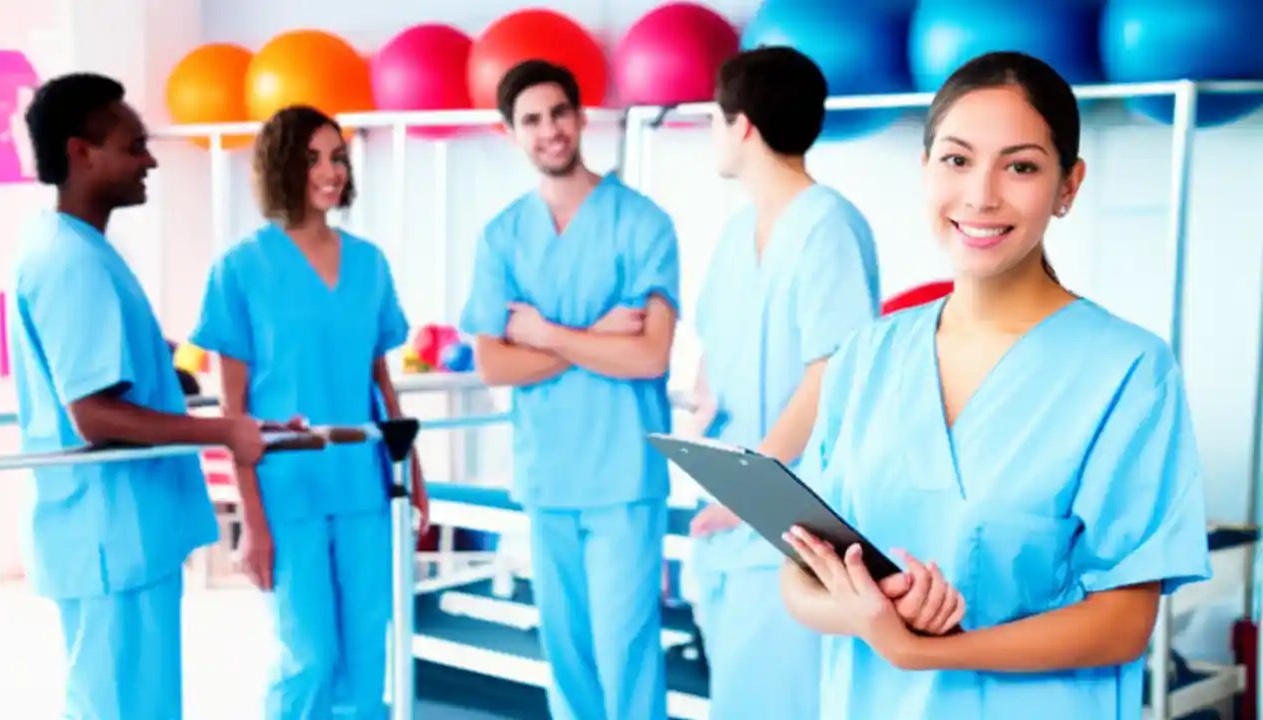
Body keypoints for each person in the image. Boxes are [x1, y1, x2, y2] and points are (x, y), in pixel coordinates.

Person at [780, 51, 1212, 719]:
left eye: (1021, 166)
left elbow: (1124, 622)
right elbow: (802, 573)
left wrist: (924, 650)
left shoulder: (1127, 372)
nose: (981, 195)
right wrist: (871, 609)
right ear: (924, 171)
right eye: (956, 159)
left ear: (1068, 186)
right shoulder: (867, 356)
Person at [8, 72, 269, 719]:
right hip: (110, 538)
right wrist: (227, 432)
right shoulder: (72, 261)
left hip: (117, 535)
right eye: (134, 145)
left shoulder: (76, 248)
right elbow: (94, 413)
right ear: (80, 152)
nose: (149, 159)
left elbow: (99, 379)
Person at [190, 104, 430, 719]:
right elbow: (233, 409)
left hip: (364, 485)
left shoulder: (370, 263)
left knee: (363, 663)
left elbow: (381, 382)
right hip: (285, 491)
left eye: (338, 156)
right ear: (280, 167)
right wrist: (250, 520)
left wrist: (415, 472)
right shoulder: (239, 269)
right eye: (313, 158)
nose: (331, 171)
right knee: (308, 659)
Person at [460, 59, 680, 720]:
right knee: (568, 654)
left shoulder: (643, 223)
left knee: (626, 649)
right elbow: (493, 366)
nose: (549, 130)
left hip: (623, 477)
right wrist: (592, 336)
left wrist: (546, 333)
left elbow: (649, 355)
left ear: (582, 117)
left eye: (559, 113)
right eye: (531, 120)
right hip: (547, 475)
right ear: (510, 133)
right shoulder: (502, 237)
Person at [684, 46, 884, 720]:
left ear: (742, 126)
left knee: (782, 699)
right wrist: (702, 406)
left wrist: (752, 483)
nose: (713, 131)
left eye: (715, 117)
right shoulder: (739, 232)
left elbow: (834, 370)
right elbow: (718, 349)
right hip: (735, 507)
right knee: (738, 695)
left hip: (790, 511)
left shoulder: (827, 225)